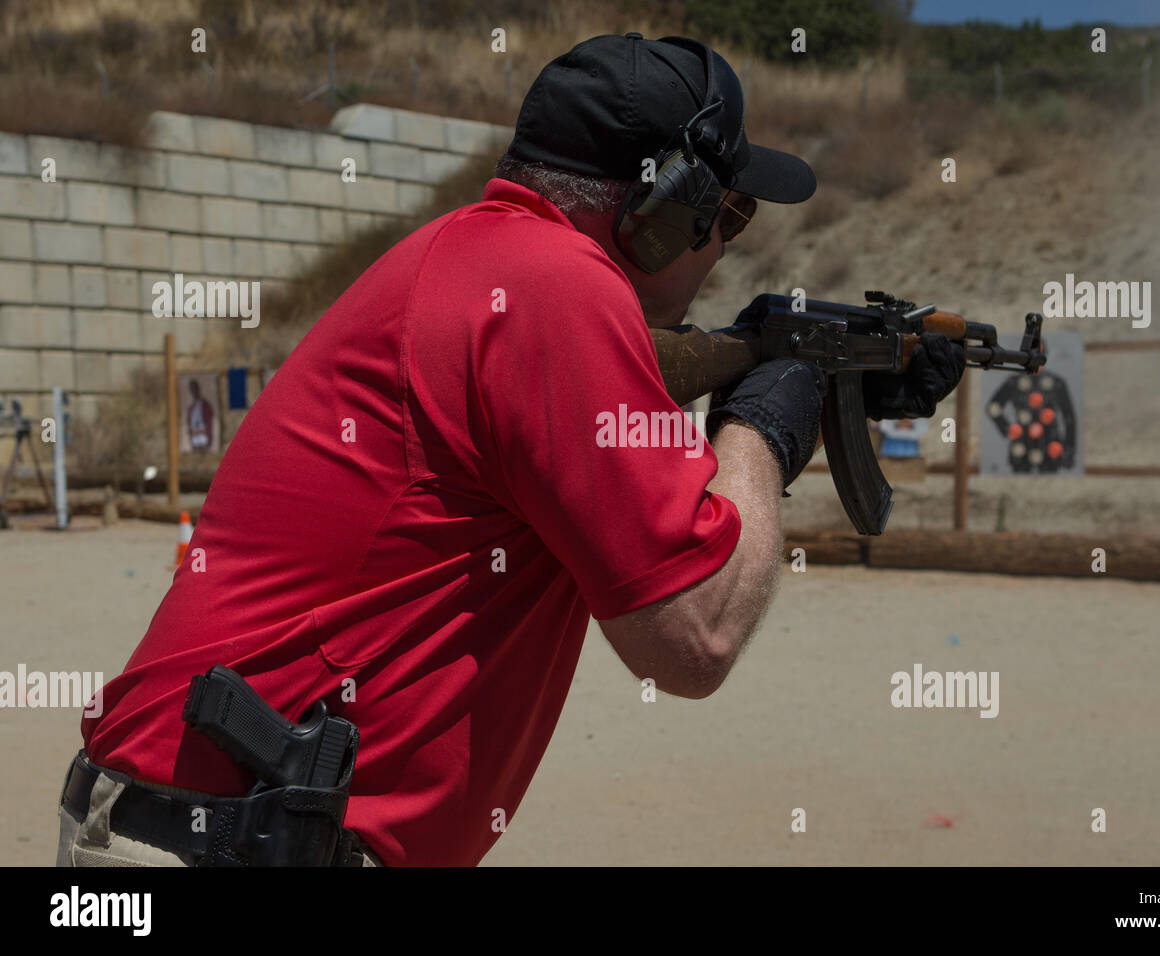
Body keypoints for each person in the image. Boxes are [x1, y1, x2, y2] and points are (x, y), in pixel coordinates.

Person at [57, 34, 964, 867]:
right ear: (661, 213)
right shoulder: (552, 291)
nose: (726, 246)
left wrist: (789, 373)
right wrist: (766, 424)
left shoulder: (471, 261)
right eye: (726, 214)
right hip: (227, 841)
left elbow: (605, 407)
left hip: (192, 824)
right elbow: (697, 636)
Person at [184, 379, 214, 452]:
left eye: (194, 389)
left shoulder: (205, 405)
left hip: (203, 437)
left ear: (198, 389)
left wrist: (200, 431)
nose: (193, 392)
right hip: (195, 438)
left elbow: (209, 422)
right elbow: (189, 422)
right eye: (191, 390)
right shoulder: (191, 407)